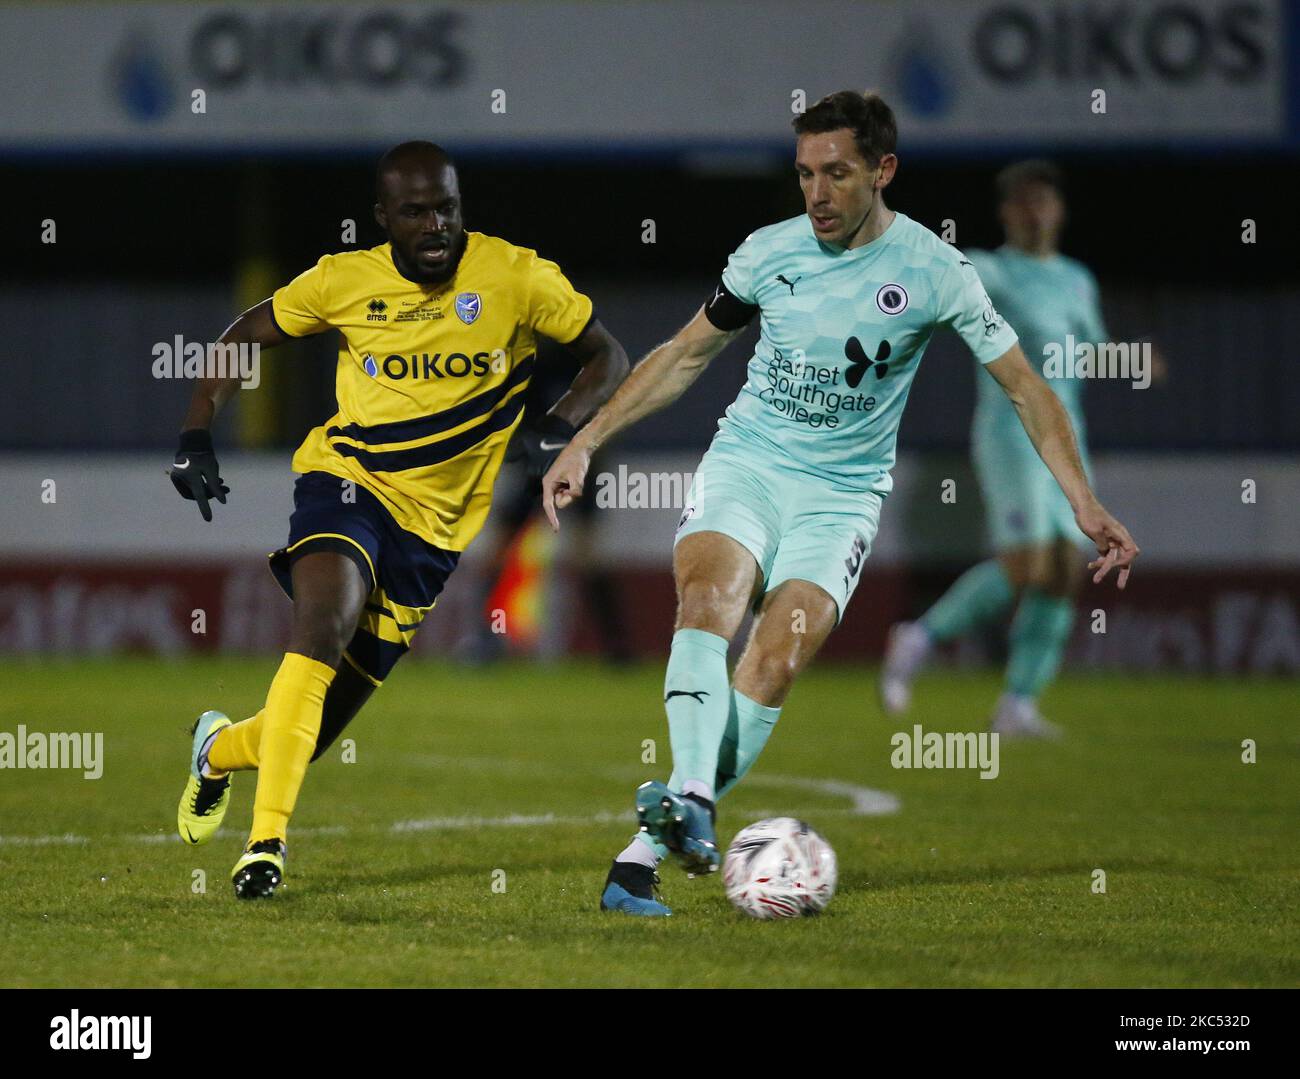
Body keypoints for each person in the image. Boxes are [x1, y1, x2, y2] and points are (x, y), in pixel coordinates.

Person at [541, 93, 1138, 917]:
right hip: (747, 465)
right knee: (709, 598)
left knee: (777, 659)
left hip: (843, 496)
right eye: (804, 174)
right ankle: (695, 798)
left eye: (837, 173)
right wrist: (587, 439)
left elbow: (1026, 387)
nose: (816, 194)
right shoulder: (767, 253)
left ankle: (637, 862)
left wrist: (1084, 500)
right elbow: (684, 355)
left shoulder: (935, 270)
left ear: (882, 170)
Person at [169, 141, 628, 899]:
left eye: (446, 206)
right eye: (414, 211)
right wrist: (195, 430)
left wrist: (563, 423)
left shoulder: (514, 276)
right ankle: (265, 845)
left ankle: (216, 749)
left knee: (311, 732)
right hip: (346, 484)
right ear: (383, 219)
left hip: (435, 533)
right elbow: (246, 331)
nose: (435, 223)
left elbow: (606, 354)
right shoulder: (344, 280)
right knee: (322, 624)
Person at [880, 160, 1142, 737]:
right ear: (1005, 213)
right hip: (1010, 434)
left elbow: (1089, 352)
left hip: (1064, 436)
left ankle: (1017, 704)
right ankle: (919, 637)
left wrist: (1134, 360)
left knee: (1065, 568)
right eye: (1022, 202)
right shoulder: (994, 270)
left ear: (1060, 210)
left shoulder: (1077, 279)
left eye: (1043, 201)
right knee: (1028, 563)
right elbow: (943, 284)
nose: (1034, 212)